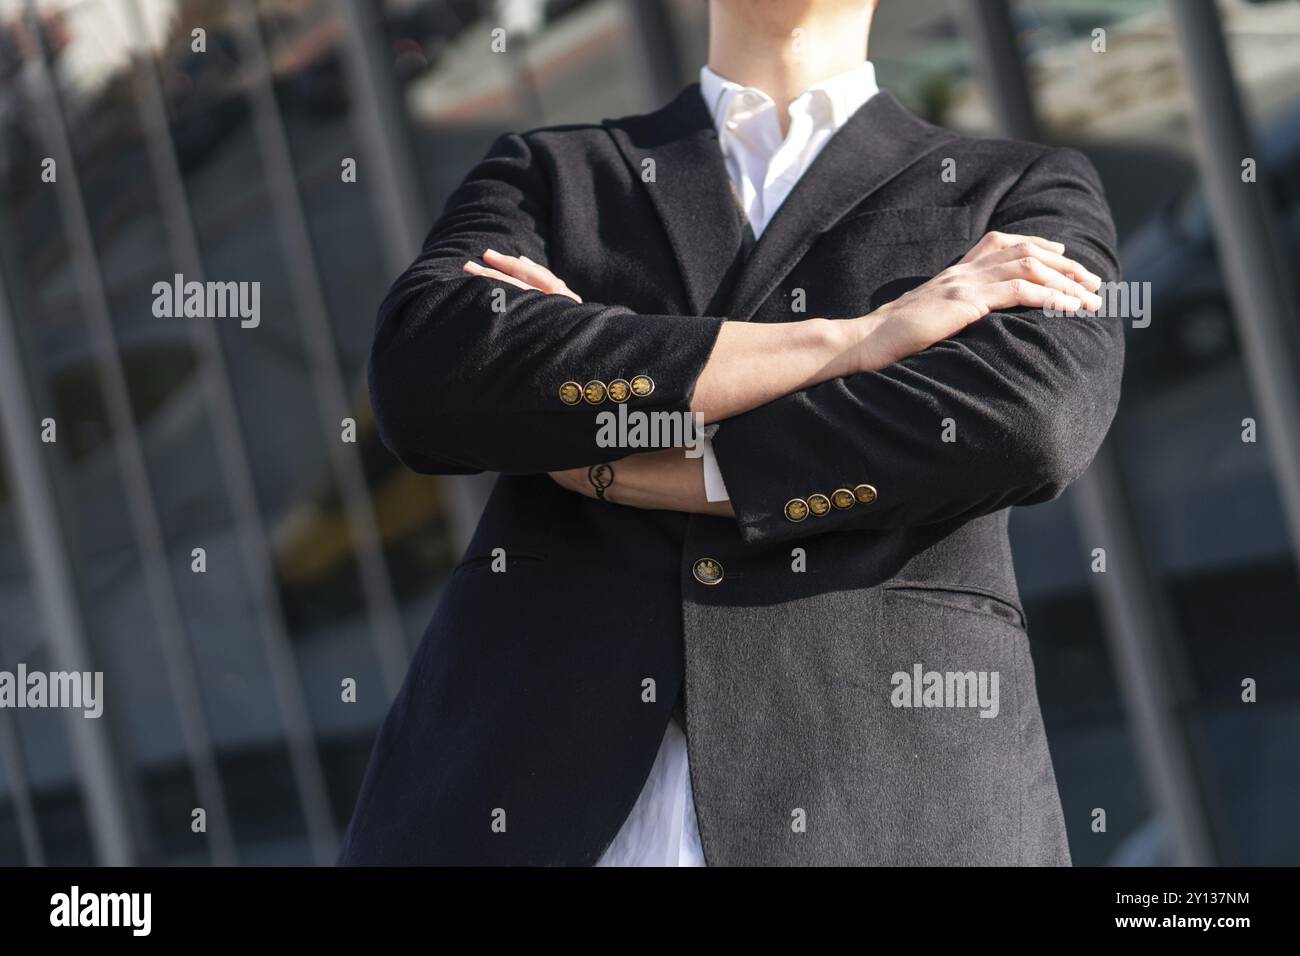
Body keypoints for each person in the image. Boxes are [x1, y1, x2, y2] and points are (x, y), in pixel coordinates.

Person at [338, 0, 1121, 866]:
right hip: (521, 796)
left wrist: (617, 451)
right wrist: (857, 340)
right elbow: (431, 373)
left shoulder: (1017, 191)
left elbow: (1029, 416)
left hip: (886, 800)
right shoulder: (549, 172)